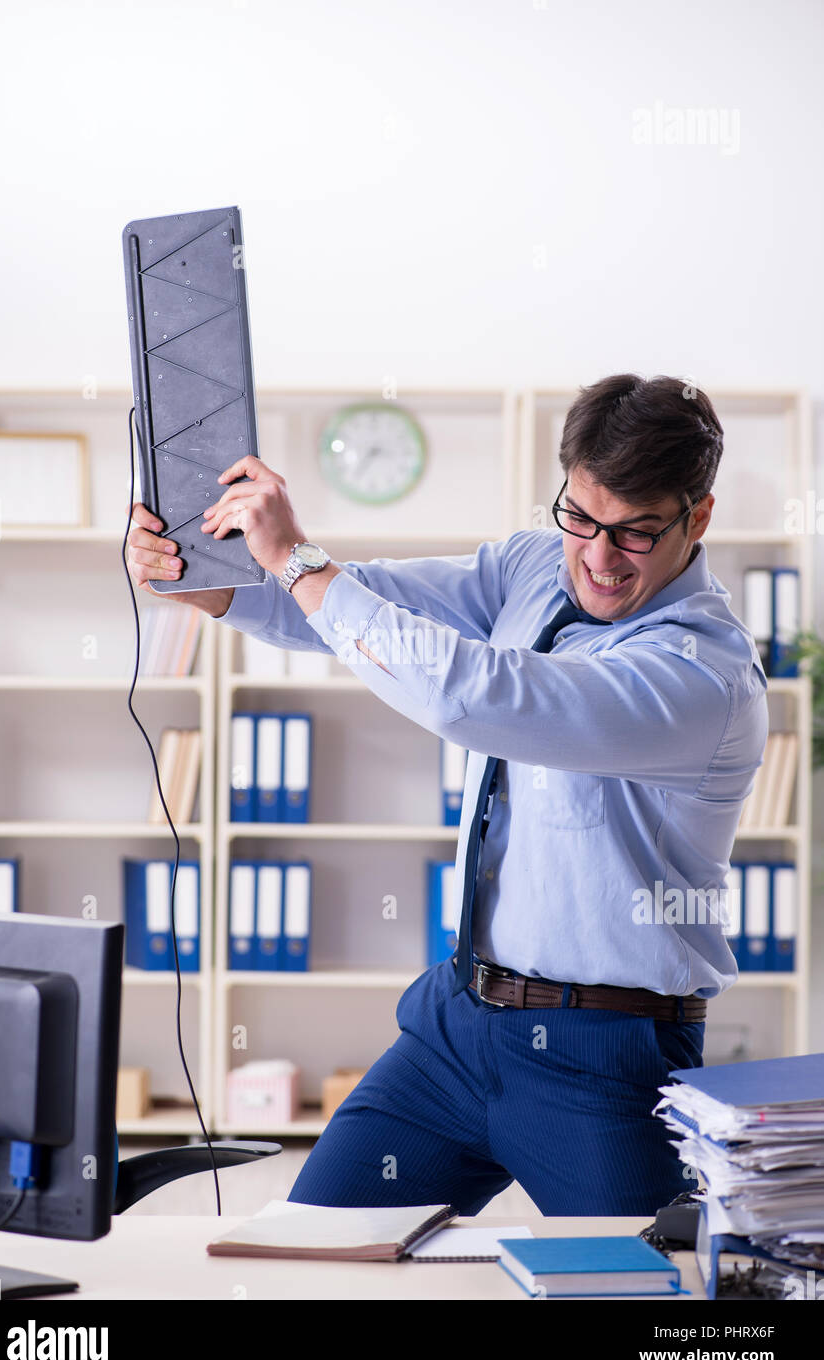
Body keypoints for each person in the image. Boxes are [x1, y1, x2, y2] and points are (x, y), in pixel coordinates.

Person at [127, 374, 768, 1216]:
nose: (599, 558)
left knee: (642, 1305)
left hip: (602, 1053)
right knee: (315, 1250)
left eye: (636, 532)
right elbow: (363, 608)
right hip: (454, 1027)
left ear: (699, 516)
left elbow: (477, 696)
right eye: (579, 516)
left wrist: (294, 560)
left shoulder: (701, 676)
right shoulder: (534, 565)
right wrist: (215, 581)